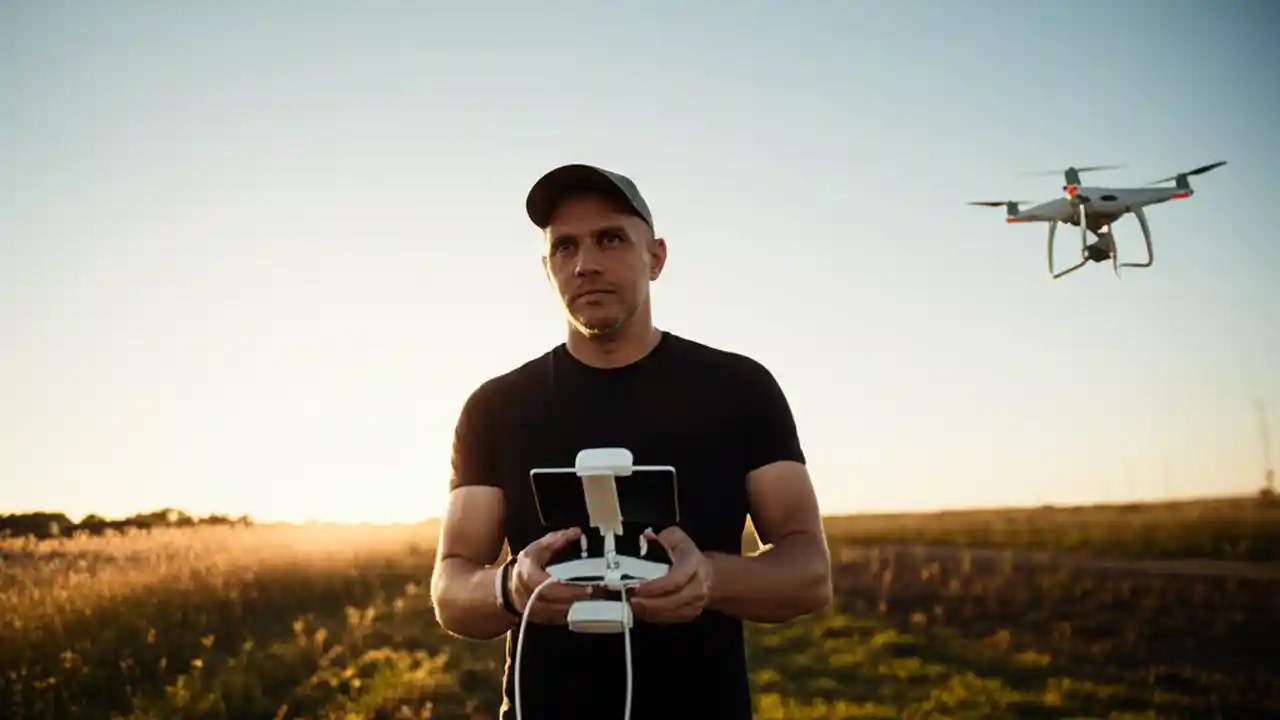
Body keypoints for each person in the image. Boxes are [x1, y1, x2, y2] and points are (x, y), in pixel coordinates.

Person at [429, 163, 832, 719]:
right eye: (565, 247)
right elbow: (451, 587)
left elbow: (809, 573)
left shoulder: (740, 389)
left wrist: (709, 579)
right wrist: (511, 588)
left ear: (656, 257)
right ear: (547, 269)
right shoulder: (495, 407)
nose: (586, 263)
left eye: (610, 238)